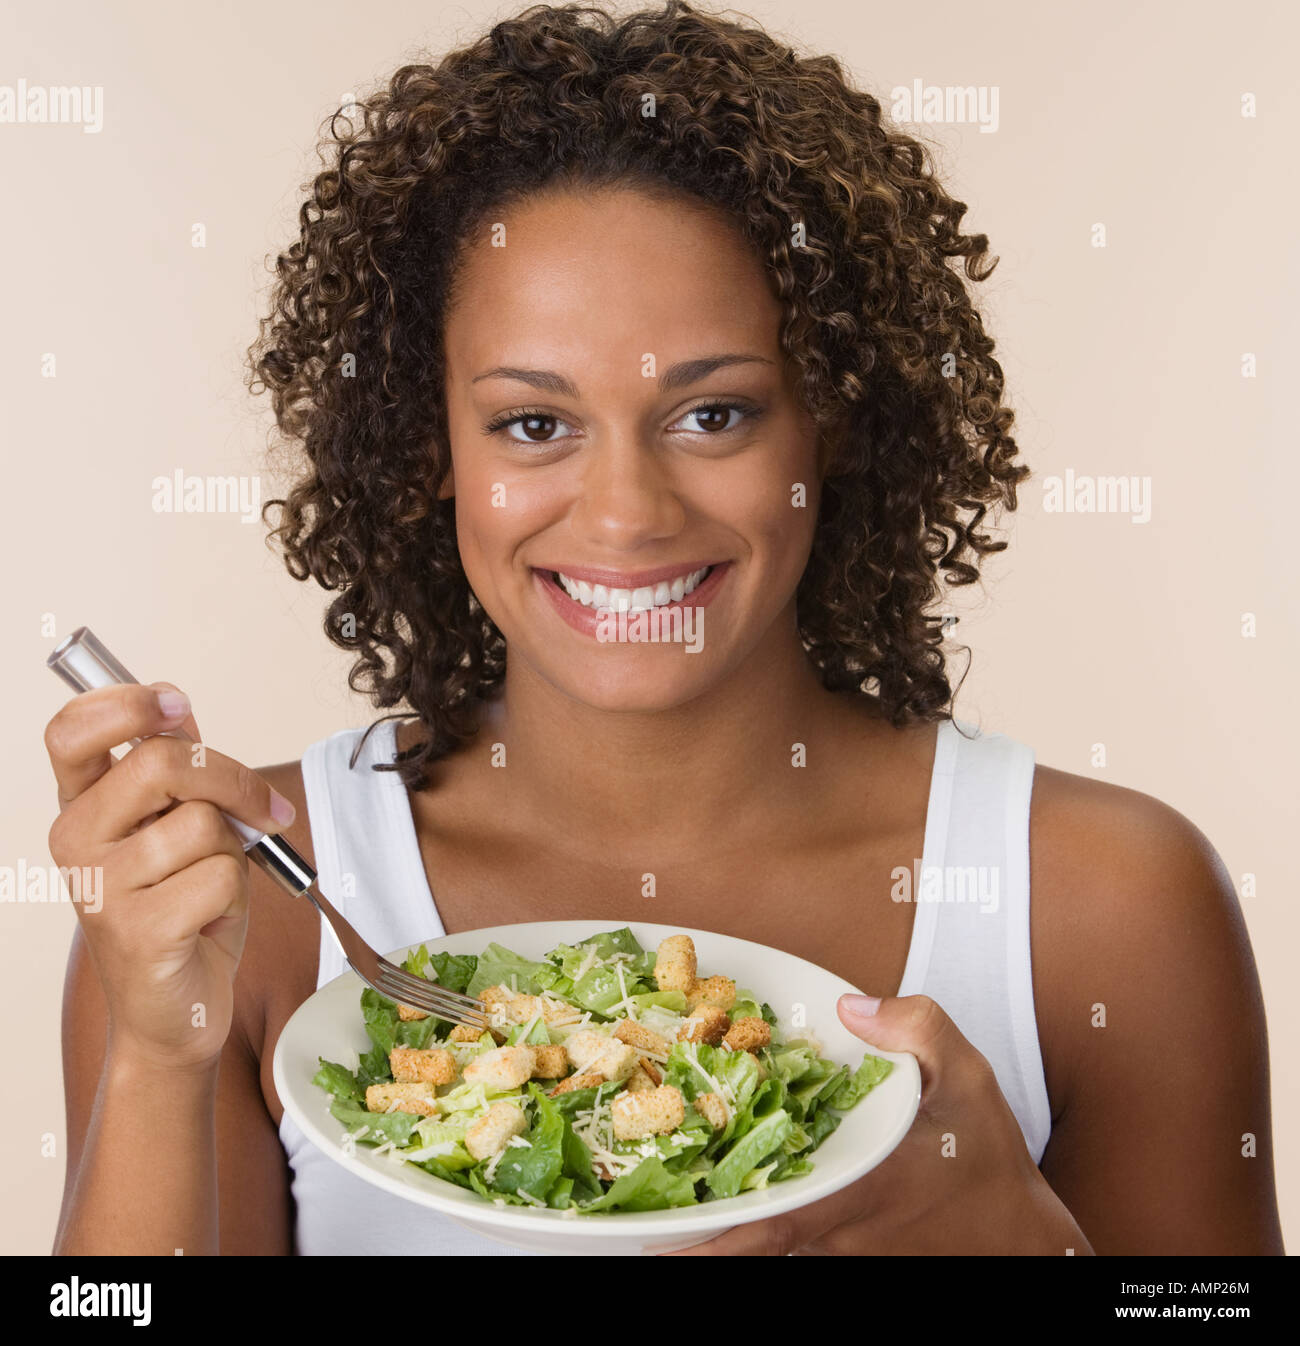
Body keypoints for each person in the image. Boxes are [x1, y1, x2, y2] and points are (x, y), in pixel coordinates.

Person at [44, 1, 1282, 1255]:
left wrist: (1024, 1237)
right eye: (534, 423)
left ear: (834, 421)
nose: (627, 512)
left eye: (715, 415)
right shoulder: (240, 907)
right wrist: (155, 1056)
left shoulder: (1098, 900)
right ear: (431, 449)